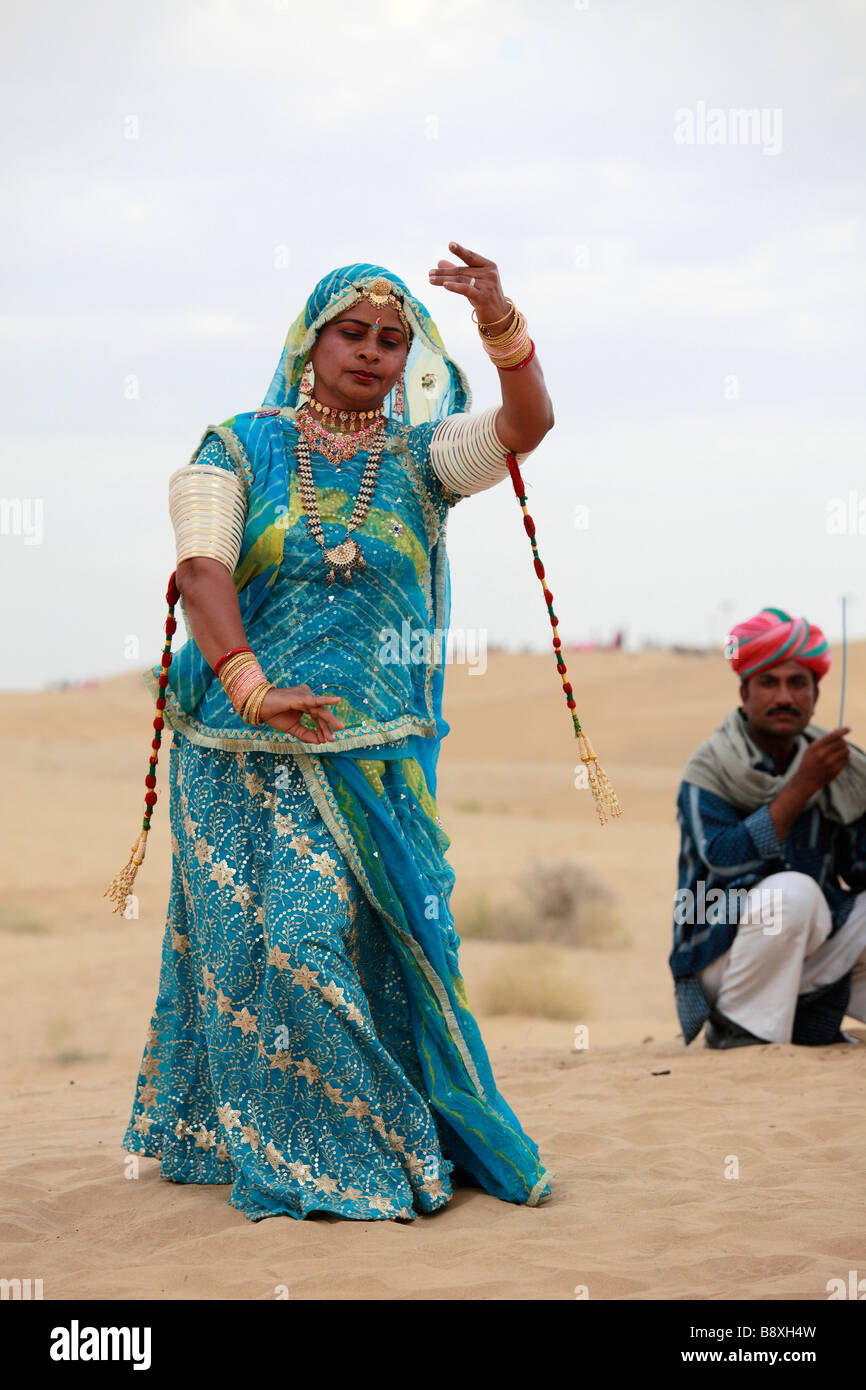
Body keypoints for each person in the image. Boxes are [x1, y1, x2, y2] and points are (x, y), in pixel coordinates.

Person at [113, 250, 558, 1221]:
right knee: (239, 958)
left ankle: (367, 1150)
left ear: (409, 357)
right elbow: (201, 571)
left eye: (390, 339)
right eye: (350, 332)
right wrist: (249, 681)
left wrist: (498, 316)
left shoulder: (420, 461)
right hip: (231, 753)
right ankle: (261, 1142)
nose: (369, 351)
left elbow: (526, 427)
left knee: (312, 945)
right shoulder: (234, 446)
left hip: (361, 761)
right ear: (308, 340)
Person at [670, 607, 866, 1049]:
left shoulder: (836, 764)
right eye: (769, 682)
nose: (785, 697)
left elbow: (858, 870)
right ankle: (744, 1033)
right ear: (745, 692)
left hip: (809, 948)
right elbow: (725, 858)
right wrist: (803, 786)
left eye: (798, 683)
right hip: (720, 952)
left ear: (815, 694)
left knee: (806, 900)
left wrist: (859, 799)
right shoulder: (711, 767)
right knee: (792, 893)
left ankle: (796, 1018)